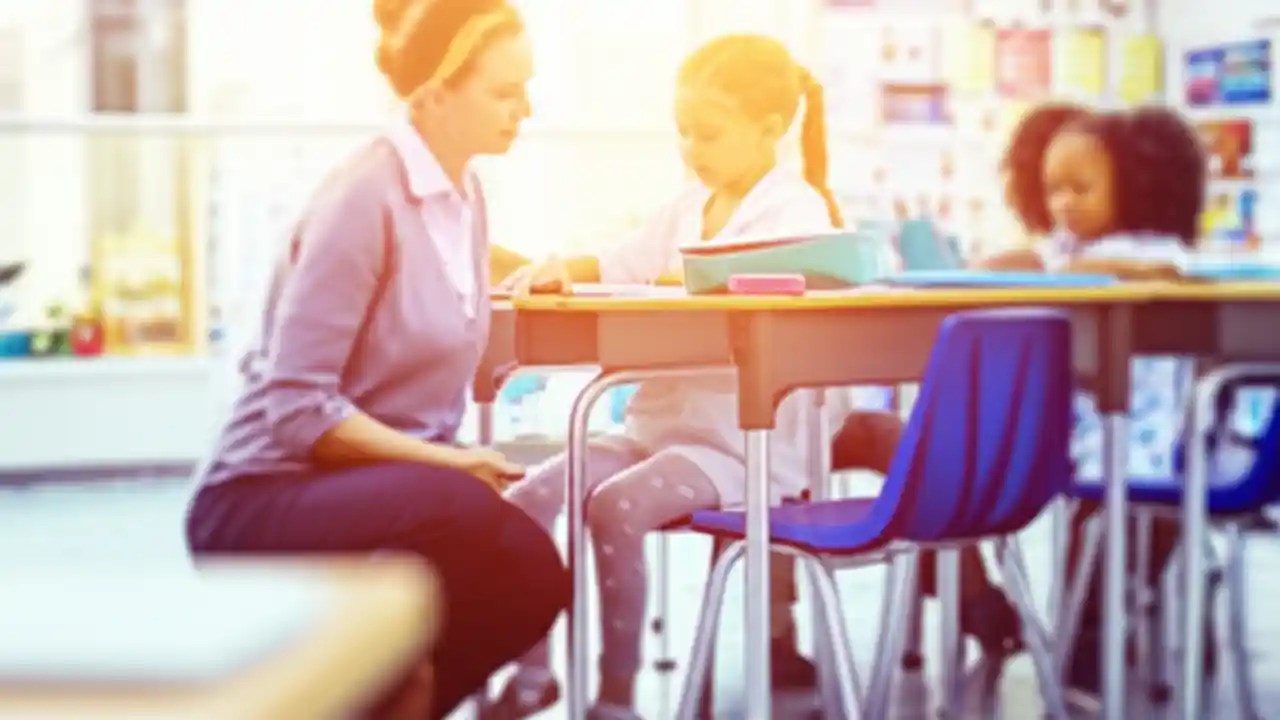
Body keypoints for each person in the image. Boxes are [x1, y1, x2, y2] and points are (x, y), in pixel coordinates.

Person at [183, 2, 567, 717]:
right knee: (465, 511)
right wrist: (453, 463)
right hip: (262, 498)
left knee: (536, 578)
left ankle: (398, 699)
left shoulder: (463, 196)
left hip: (382, 489)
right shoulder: (363, 197)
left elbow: (442, 286)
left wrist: (541, 270)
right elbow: (298, 411)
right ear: (436, 91)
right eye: (506, 91)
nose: (527, 108)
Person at [487, 34, 849, 719]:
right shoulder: (687, 206)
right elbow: (622, 260)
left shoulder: (796, 211)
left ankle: (617, 695)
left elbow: (762, 284)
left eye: (707, 133)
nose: (691, 147)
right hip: (657, 431)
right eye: (682, 132)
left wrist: (674, 280)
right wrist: (565, 266)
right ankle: (534, 678)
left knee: (614, 506)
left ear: (770, 128)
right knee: (529, 499)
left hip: (741, 448)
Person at [984, 104, 1209, 703]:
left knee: (1114, 536)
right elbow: (1020, 263)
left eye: (1081, 188)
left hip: (1152, 447)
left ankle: (1092, 653)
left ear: (1135, 184)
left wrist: (1061, 264)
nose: (1064, 203)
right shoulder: (1068, 251)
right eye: (1053, 189)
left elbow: (1155, 270)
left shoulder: (1153, 249)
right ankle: (1095, 643)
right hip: (1094, 446)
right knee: (1097, 535)